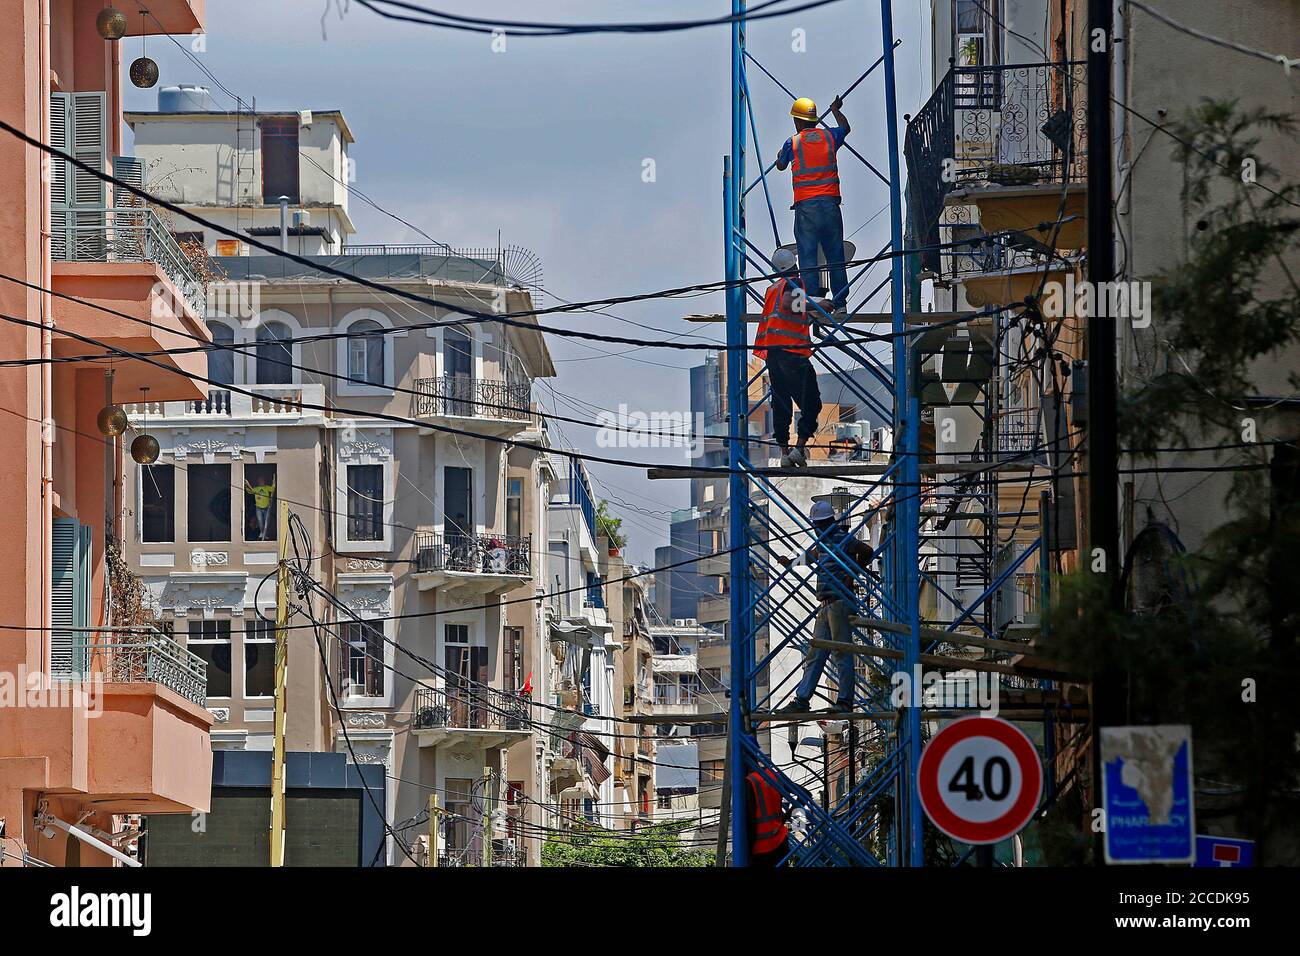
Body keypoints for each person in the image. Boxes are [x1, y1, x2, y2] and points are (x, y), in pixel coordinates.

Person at [777, 500, 876, 713]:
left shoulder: (843, 538)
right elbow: (810, 557)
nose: (816, 528)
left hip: (839, 601)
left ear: (826, 522)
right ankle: (802, 699)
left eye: (818, 524)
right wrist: (791, 562)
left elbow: (867, 550)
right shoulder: (823, 542)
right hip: (826, 603)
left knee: (841, 653)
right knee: (816, 653)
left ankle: (845, 701)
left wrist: (852, 574)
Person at [775, 95, 851, 312]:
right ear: (815, 120)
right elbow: (845, 127)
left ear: (797, 121)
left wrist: (781, 155)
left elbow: (780, 165)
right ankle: (840, 303)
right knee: (835, 255)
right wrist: (835, 110)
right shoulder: (830, 137)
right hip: (830, 205)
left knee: (807, 254)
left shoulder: (793, 142)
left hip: (806, 208)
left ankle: (811, 301)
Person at [754, 247, 827, 468]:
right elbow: (790, 304)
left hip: (774, 354)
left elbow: (782, 310)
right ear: (794, 265)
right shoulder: (793, 282)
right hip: (792, 353)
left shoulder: (771, 289)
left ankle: (784, 452)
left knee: (782, 402)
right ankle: (799, 448)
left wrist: (809, 304)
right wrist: (817, 305)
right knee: (811, 403)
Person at [745, 766, 791, 866]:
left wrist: (748, 853)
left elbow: (751, 822)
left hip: (762, 848)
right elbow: (803, 793)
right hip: (780, 840)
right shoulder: (774, 775)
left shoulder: (750, 781)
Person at [245, 475, 276, 540]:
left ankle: (265, 534)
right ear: (258, 482)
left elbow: (272, 489)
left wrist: (274, 482)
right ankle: (262, 533)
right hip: (258, 508)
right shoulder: (256, 489)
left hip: (266, 507)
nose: (261, 482)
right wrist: (246, 485)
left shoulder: (266, 487)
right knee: (260, 521)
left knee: (265, 521)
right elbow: (250, 491)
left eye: (262, 480)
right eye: (260, 481)